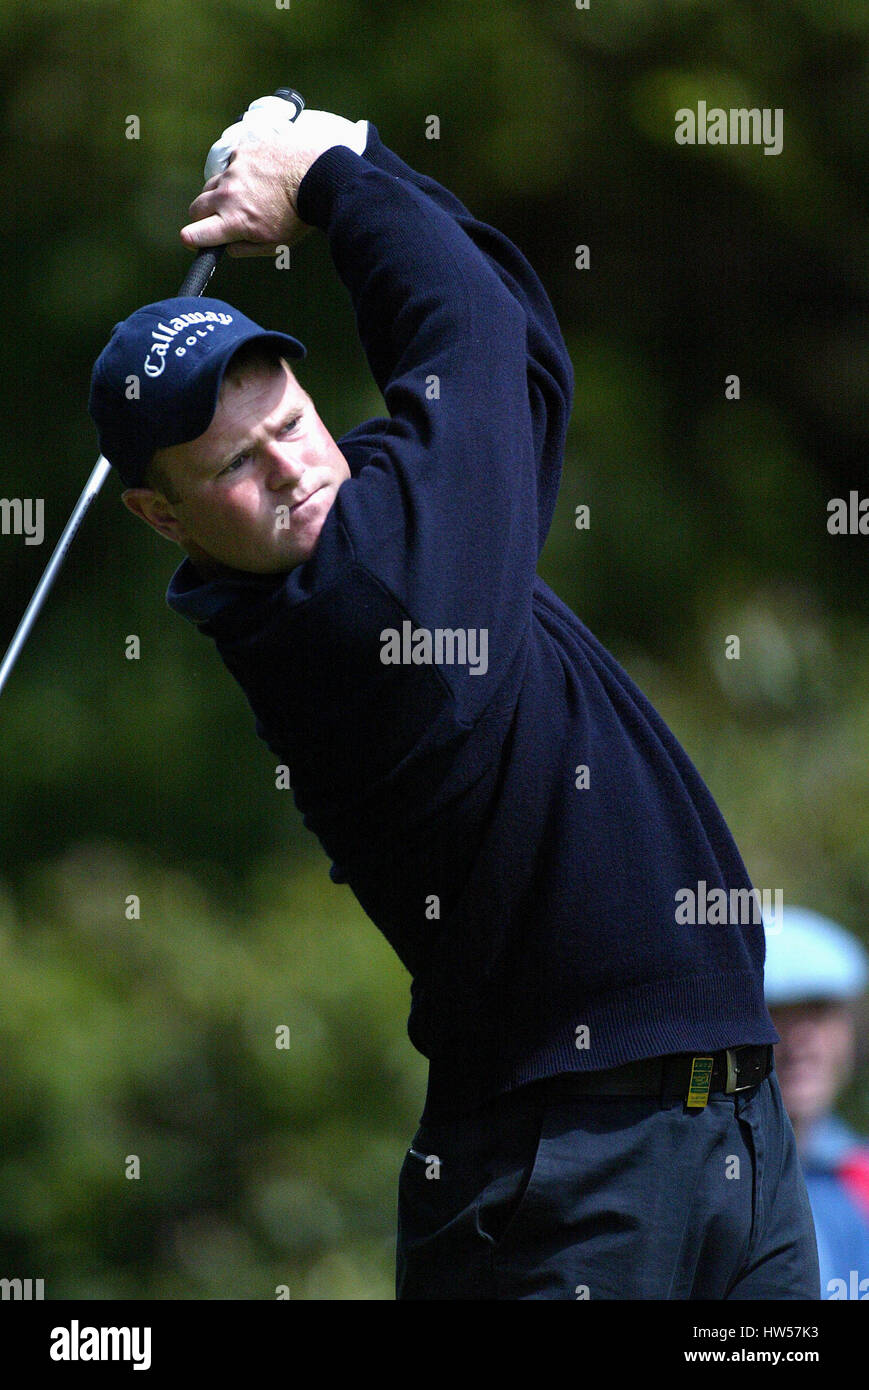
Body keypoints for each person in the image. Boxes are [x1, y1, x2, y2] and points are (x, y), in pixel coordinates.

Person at [88, 102, 820, 1300]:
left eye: (291, 423)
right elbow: (466, 334)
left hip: (731, 1128)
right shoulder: (358, 605)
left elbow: (518, 354)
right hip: (564, 1180)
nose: (293, 469)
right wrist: (328, 167)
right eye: (236, 465)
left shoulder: (389, 527)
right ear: (160, 515)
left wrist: (369, 165)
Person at [764, 906, 869, 1299]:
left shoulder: (860, 1179)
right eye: (774, 1014)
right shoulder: (697, 1186)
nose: (800, 1043)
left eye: (819, 1012)